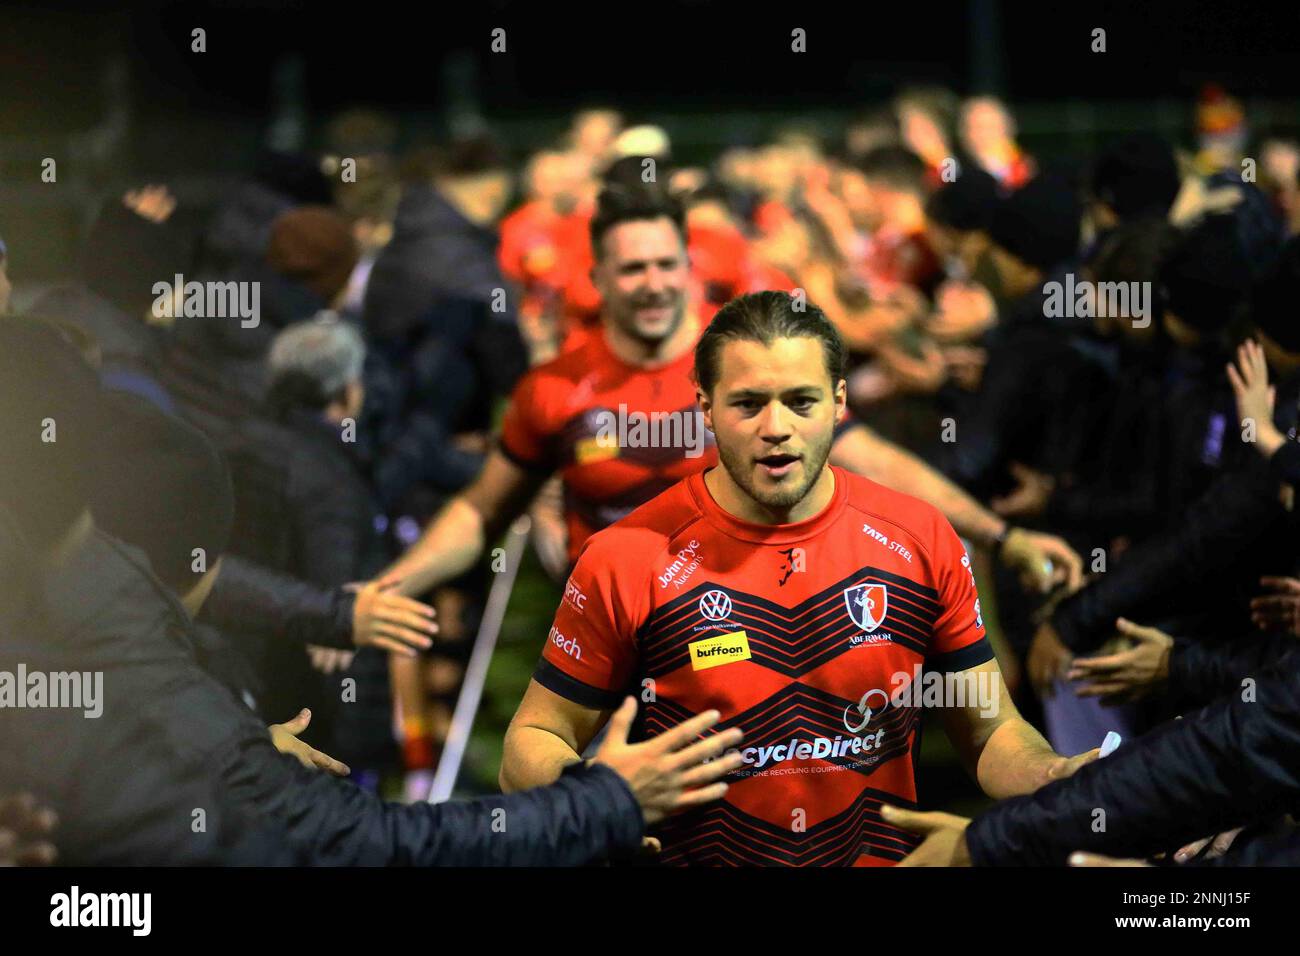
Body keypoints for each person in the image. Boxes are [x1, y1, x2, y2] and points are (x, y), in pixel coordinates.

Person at [0, 317, 740, 866]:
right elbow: (378, 847)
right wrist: (605, 802)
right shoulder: (156, 710)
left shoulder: (72, 639)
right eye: (208, 567)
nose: (219, 582)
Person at [499, 291, 1097, 866]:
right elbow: (532, 739)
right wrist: (600, 795)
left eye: (801, 402)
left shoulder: (919, 537)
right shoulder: (626, 557)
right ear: (704, 407)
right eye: (747, 403)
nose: (776, 426)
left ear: (840, 401)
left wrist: (1050, 773)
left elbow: (991, 732)